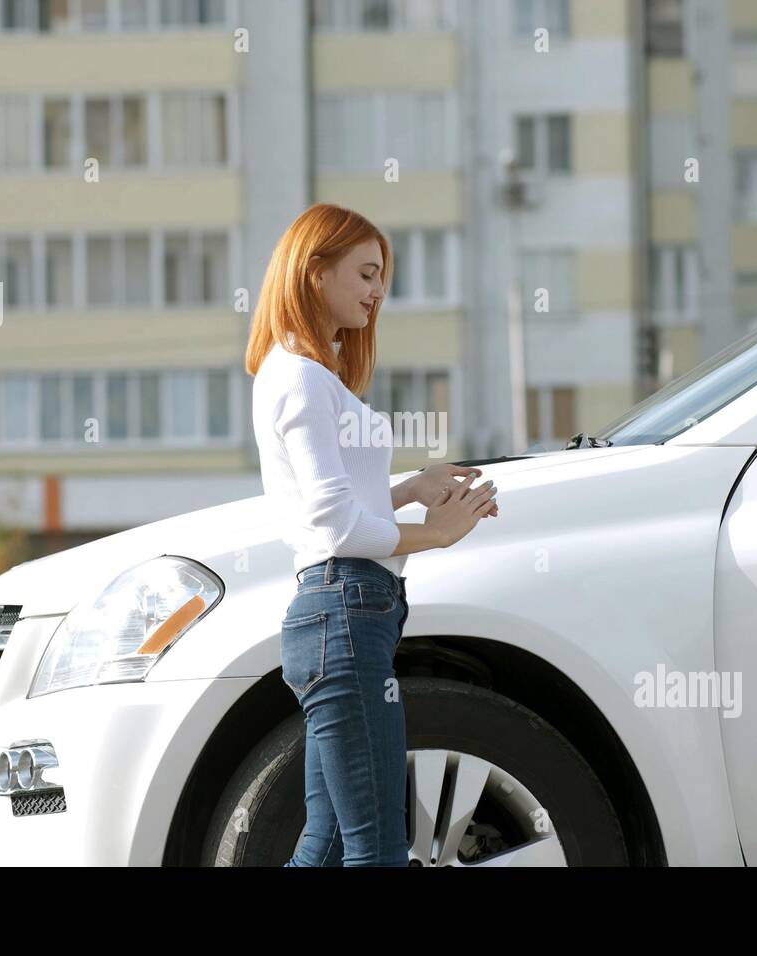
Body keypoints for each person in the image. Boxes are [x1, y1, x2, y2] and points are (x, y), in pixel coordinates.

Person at [245, 203, 498, 866]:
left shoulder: (301, 373)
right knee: (379, 845)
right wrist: (435, 534)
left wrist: (413, 490)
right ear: (315, 271)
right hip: (345, 614)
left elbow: (328, 508)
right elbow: (334, 527)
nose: (376, 290)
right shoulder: (300, 378)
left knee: (327, 843)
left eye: (380, 275)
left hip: (341, 616)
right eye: (364, 272)